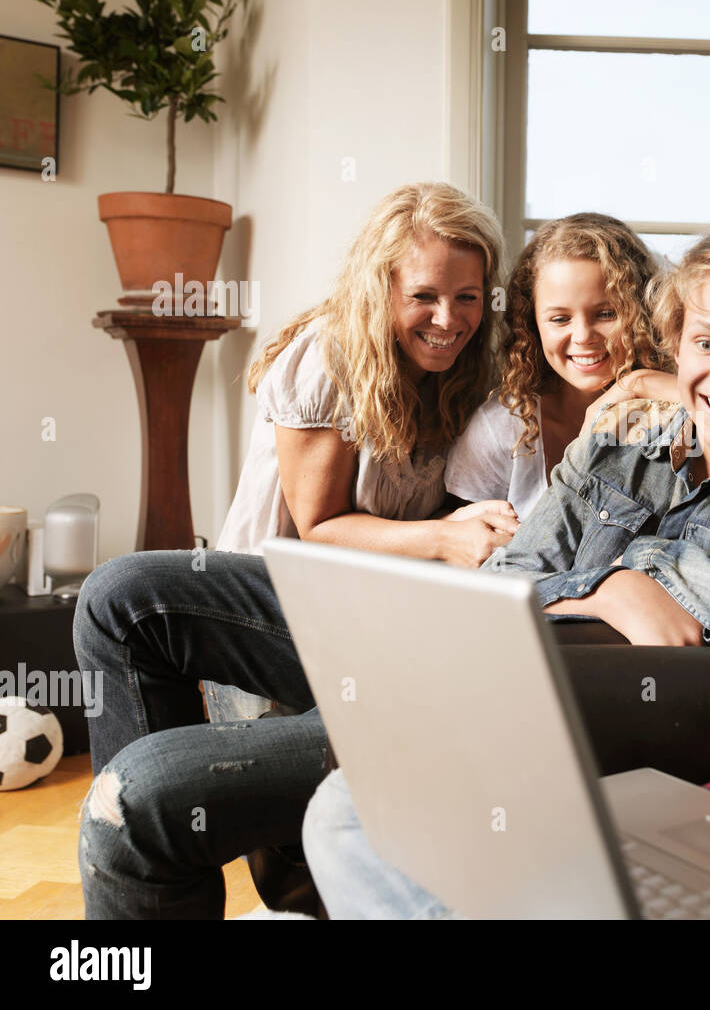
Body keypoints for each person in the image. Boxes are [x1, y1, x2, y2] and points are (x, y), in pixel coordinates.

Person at [300, 212, 710, 916]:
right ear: (675, 342)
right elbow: (502, 579)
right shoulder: (616, 430)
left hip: (683, 731)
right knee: (344, 808)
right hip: (532, 707)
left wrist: (651, 565)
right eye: (706, 342)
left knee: (372, 784)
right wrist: (606, 590)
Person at [74, 182, 515, 918]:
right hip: (284, 588)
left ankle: (157, 857)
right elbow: (322, 526)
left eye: (468, 297)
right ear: (382, 286)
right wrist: (444, 538)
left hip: (382, 607)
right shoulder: (333, 355)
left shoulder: (476, 369)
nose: (449, 319)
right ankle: (153, 878)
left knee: (281, 867)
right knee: (116, 593)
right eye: (426, 296)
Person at [444, 212, 659, 520]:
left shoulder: (674, 414)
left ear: (642, 312)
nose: (584, 336)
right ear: (532, 325)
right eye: (560, 319)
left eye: (606, 314)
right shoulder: (502, 427)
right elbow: (456, 542)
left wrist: (643, 384)